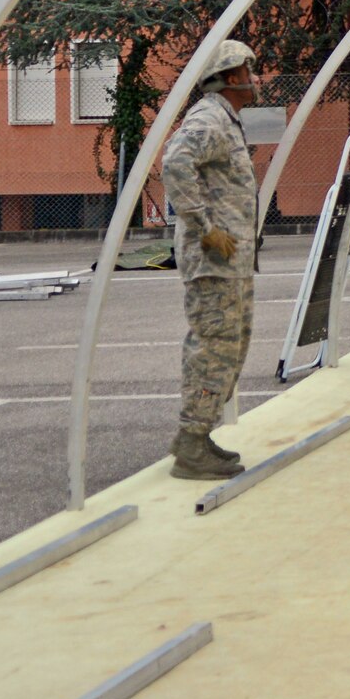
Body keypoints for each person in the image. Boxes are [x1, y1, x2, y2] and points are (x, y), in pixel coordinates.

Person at [159, 39, 261, 480]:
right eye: (248, 70)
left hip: (230, 259)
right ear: (231, 76)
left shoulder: (226, 120)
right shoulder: (210, 118)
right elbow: (174, 162)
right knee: (214, 346)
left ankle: (199, 435)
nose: (254, 78)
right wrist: (204, 226)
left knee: (231, 344)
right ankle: (191, 441)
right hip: (214, 257)